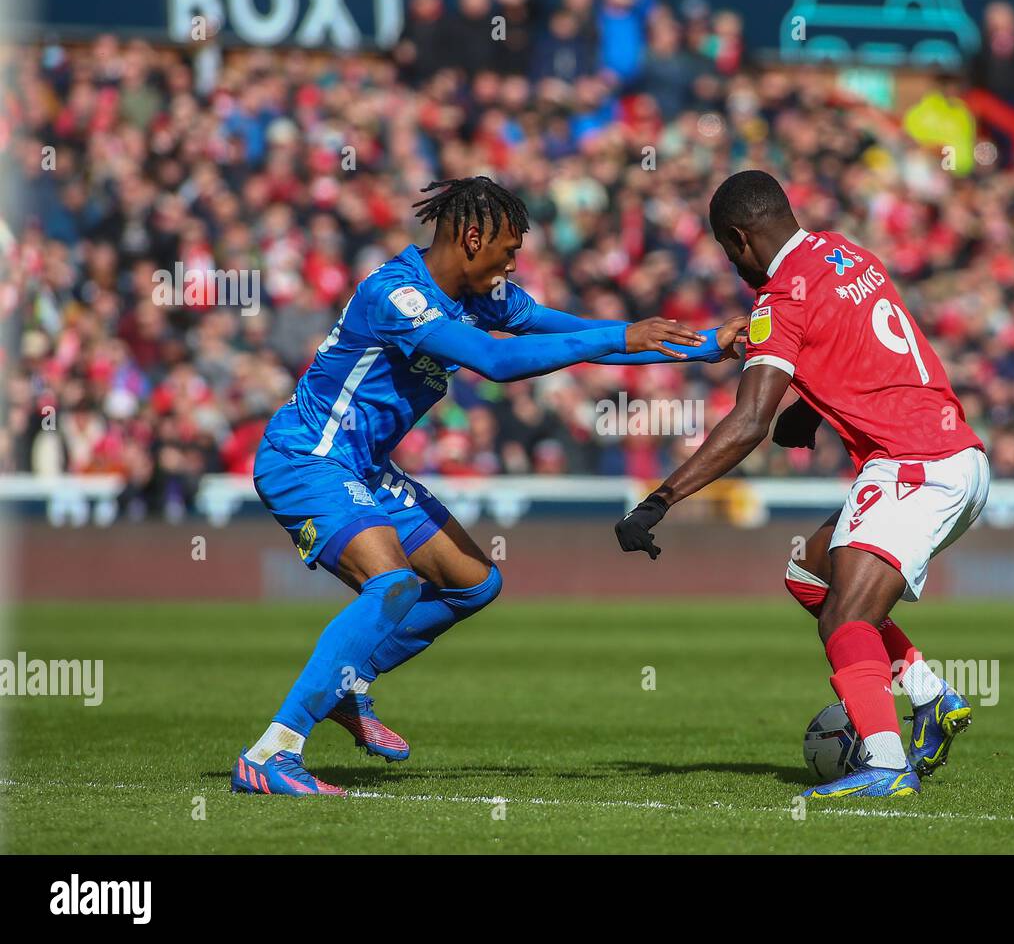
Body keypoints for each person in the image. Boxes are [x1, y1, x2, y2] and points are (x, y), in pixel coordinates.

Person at [234, 175, 744, 795]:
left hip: (362, 467)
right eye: (507, 249)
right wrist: (619, 333)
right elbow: (499, 363)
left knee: (474, 584)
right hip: (306, 457)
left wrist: (703, 347)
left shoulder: (484, 292)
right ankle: (273, 751)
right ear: (472, 238)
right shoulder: (396, 294)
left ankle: (345, 684)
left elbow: (572, 338)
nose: (513, 262)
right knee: (392, 583)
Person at [615, 171, 989, 799]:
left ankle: (887, 764)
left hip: (914, 463)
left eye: (728, 252)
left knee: (845, 615)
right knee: (810, 577)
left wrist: (659, 501)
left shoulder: (780, 297)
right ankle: (931, 695)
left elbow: (747, 422)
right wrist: (808, 409)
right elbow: (856, 341)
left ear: (739, 239)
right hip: (955, 457)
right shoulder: (844, 252)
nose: (734, 267)